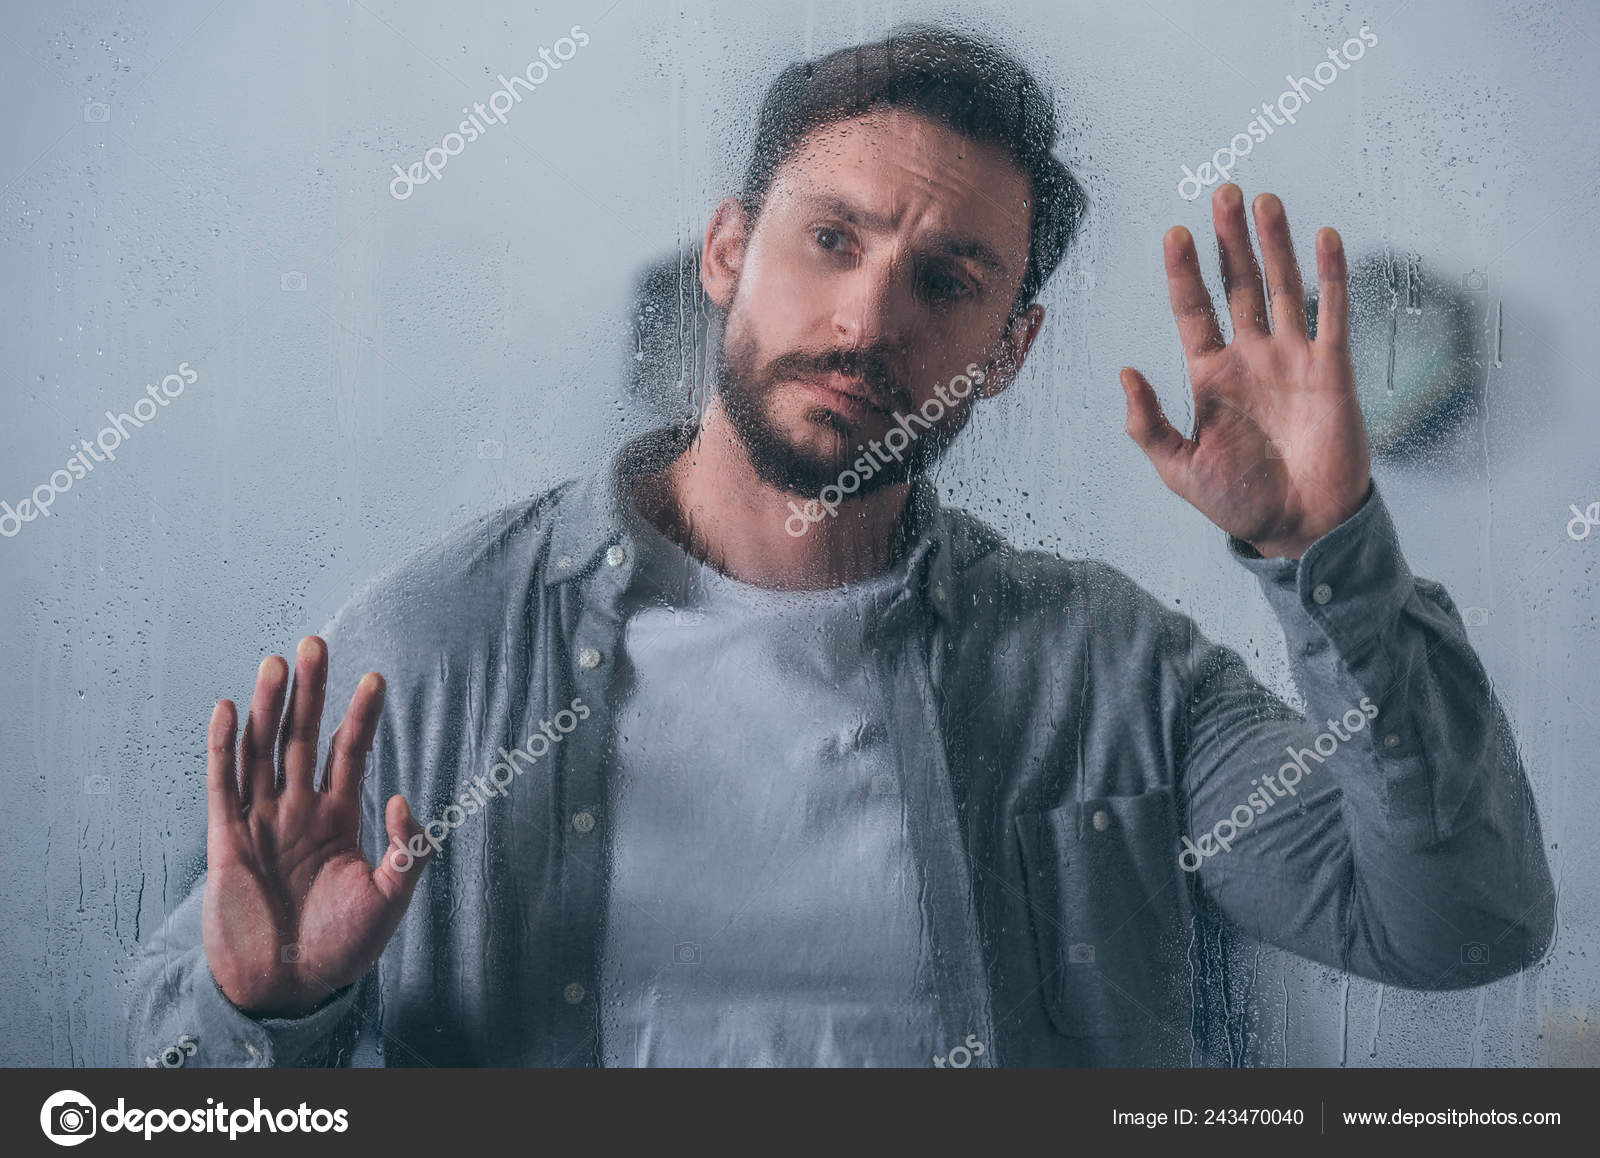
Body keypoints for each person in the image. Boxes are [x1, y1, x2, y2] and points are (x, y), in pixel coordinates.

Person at [129, 26, 1553, 1068]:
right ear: (727, 253)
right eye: (831, 240)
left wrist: (1332, 555)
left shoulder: (1111, 674)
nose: (873, 321)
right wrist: (269, 1016)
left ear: (1008, 352)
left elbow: (1459, 929)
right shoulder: (443, 647)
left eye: (949, 281)